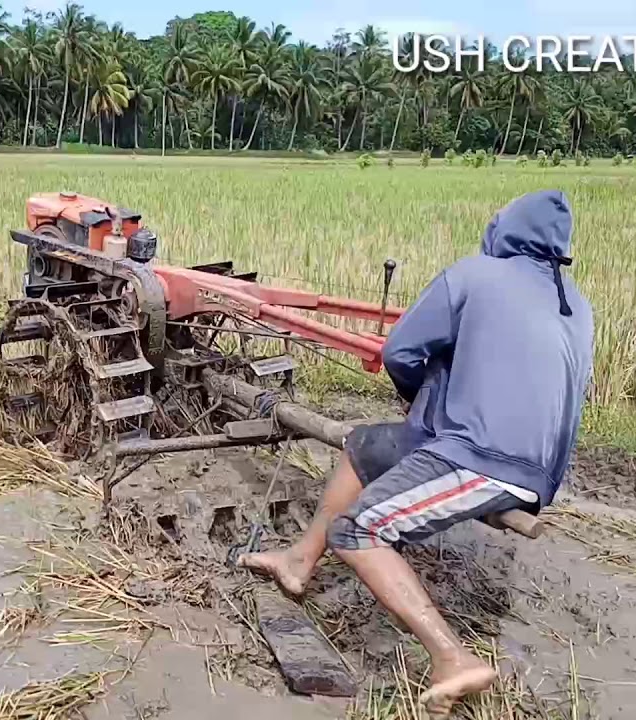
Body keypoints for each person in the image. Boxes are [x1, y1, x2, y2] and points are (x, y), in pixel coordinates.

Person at [238, 189, 594, 718]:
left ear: (505, 231)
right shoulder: (577, 303)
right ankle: (298, 562)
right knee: (364, 447)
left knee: (358, 530)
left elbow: (400, 351)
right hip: (539, 468)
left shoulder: (474, 274)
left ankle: (451, 657)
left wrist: (417, 398)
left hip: (480, 454)